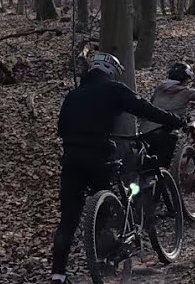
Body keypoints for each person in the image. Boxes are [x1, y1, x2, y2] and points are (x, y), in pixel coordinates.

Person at [50, 52, 183, 283]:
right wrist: (175, 120)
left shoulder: (73, 94)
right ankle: (106, 255)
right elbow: (145, 108)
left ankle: (58, 274)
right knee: (103, 205)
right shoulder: (113, 89)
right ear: (111, 71)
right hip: (97, 157)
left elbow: (61, 128)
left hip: (71, 160)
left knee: (68, 220)